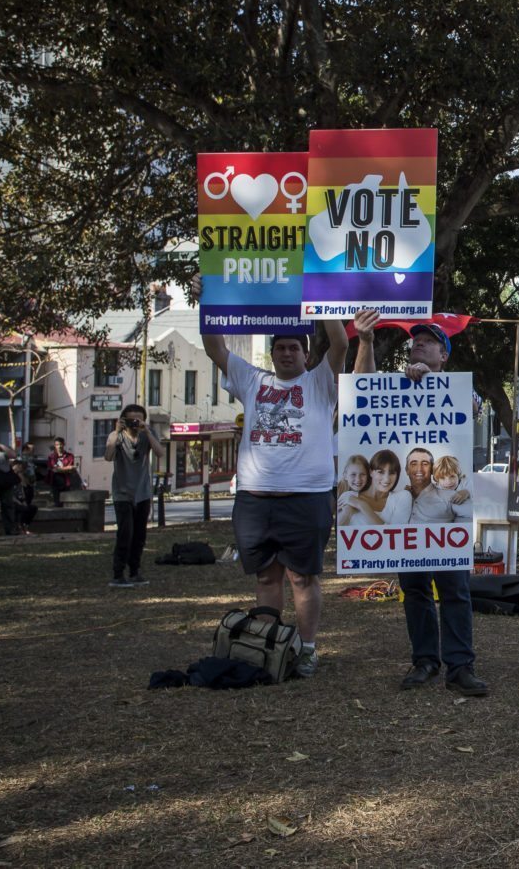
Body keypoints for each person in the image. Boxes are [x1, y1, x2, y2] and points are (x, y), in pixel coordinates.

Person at [195, 273, 357, 679]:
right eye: (280, 348)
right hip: (255, 498)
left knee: (304, 577)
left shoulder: (320, 382)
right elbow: (215, 346)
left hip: (307, 496)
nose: (287, 354)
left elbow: (340, 344)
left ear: (305, 354)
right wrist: (208, 300)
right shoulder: (252, 380)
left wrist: (322, 300)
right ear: (272, 354)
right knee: (267, 576)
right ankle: (265, 647)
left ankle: (306, 649)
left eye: (294, 348)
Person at [354, 316, 489, 697]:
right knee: (414, 590)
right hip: (406, 516)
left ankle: (460, 665)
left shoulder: (460, 388)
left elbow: (474, 406)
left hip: (444, 517)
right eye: (416, 343)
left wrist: (431, 382)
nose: (419, 347)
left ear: (444, 356)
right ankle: (425, 660)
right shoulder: (395, 386)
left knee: (454, 590)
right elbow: (361, 391)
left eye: (429, 343)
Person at [105, 405, 164, 587]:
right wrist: (116, 431)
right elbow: (108, 456)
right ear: (124, 420)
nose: (135, 423)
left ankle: (135, 571)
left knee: (139, 535)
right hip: (122, 493)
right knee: (125, 533)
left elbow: (160, 452)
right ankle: (118, 574)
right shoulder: (117, 436)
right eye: (132, 420)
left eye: (138, 419)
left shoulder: (147, 434)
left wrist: (146, 430)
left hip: (143, 492)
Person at [47, 438, 78, 505]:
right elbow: (54, 469)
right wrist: (66, 468)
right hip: (55, 483)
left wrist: (60, 469)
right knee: (57, 503)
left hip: (67, 482)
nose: (59, 446)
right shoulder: (51, 457)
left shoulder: (70, 456)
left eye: (61, 444)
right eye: (57, 444)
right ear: (55, 446)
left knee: (67, 503)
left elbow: (71, 469)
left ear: (64, 444)